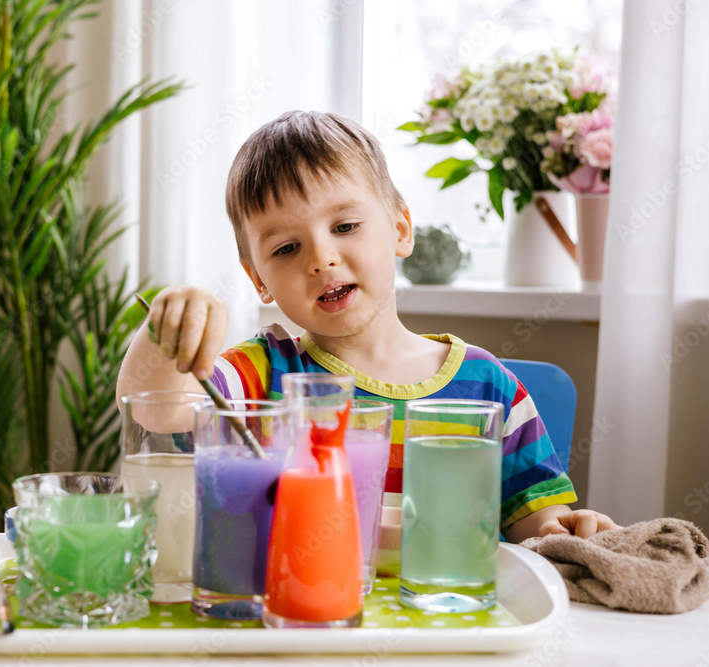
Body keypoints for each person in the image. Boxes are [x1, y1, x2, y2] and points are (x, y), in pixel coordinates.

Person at [117, 110, 617, 542]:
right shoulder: (263, 371)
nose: (321, 258)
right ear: (259, 280)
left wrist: (567, 528)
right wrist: (169, 326)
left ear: (400, 229)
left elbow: (538, 523)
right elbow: (159, 411)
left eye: (345, 226)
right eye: (286, 248)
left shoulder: (489, 387)